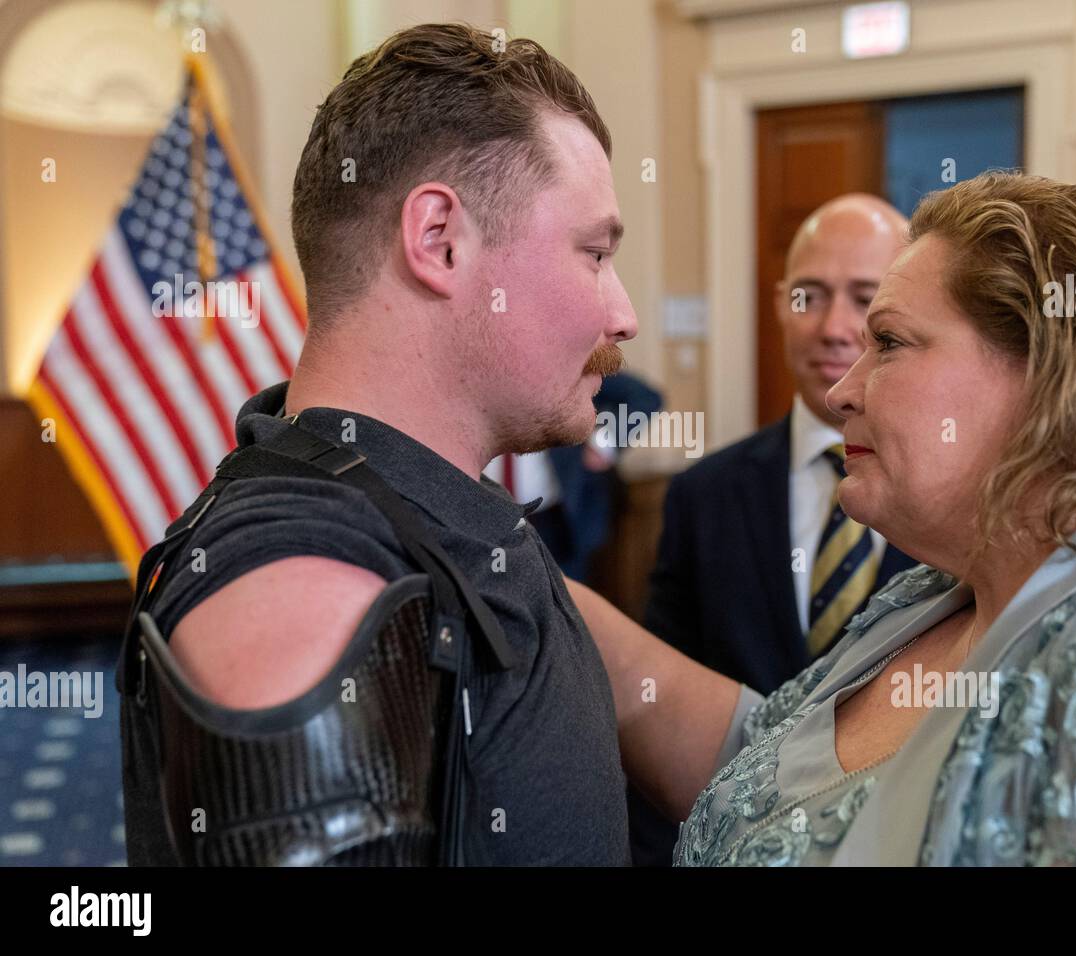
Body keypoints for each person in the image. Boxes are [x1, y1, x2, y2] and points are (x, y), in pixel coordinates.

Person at [572, 171, 1076, 866]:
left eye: (887, 341)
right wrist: (537, 580)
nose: (841, 393)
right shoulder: (934, 595)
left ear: (1053, 378)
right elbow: (770, 778)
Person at [119, 23, 638, 865]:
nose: (624, 313)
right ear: (439, 239)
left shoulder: (433, 510)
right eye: (595, 252)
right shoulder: (307, 593)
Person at [632, 193, 917, 865]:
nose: (834, 327)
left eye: (865, 298)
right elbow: (654, 713)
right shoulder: (702, 497)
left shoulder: (958, 503)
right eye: (810, 296)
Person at [486, 371, 662, 582]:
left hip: (554, 525)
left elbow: (644, 397)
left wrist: (605, 443)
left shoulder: (562, 362)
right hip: (482, 520)